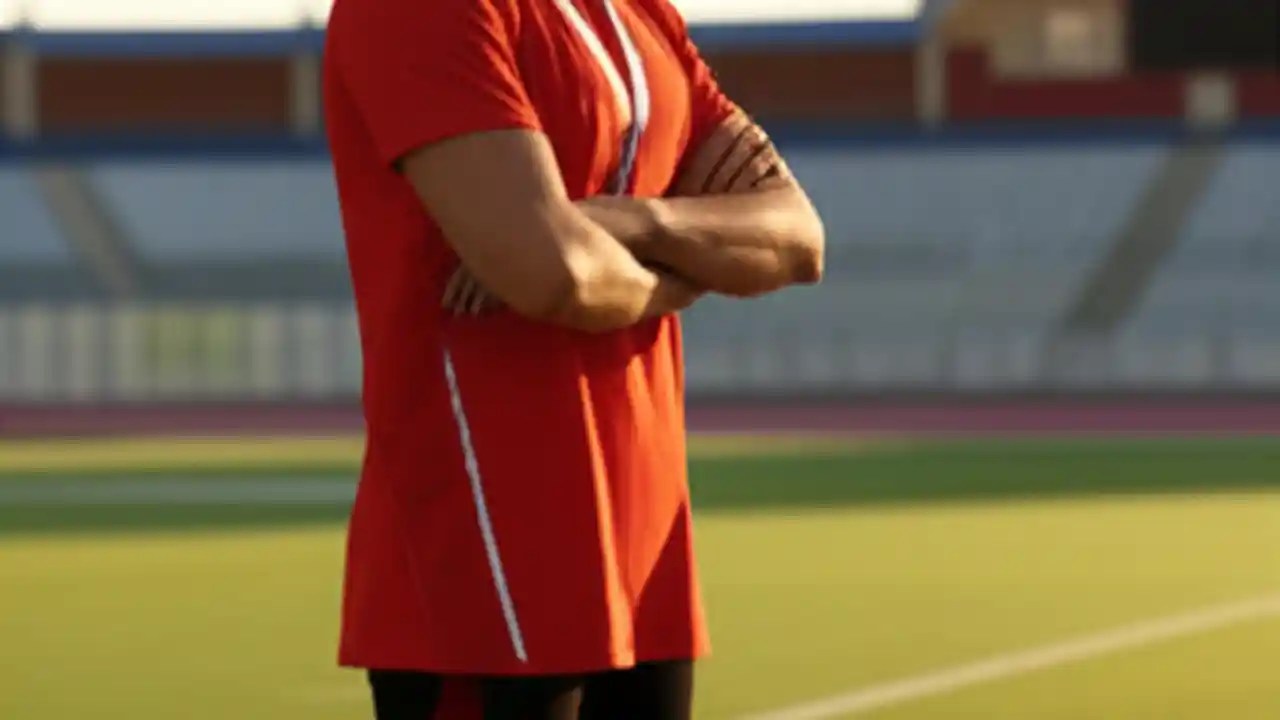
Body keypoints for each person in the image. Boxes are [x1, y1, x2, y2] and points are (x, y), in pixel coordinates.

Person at [323, 0, 824, 716]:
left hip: (642, 547)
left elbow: (797, 236)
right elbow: (553, 274)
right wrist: (688, 276)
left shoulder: (639, 12)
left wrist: (633, 220)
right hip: (490, 549)